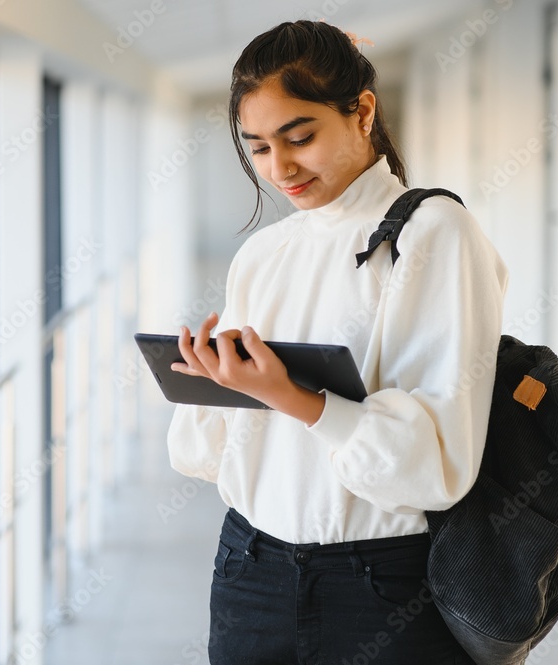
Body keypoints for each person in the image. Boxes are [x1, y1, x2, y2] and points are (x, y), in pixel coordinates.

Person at [166, 19, 508, 664]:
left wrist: (292, 396)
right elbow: (207, 455)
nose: (281, 167)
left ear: (363, 111)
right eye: (259, 148)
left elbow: (435, 467)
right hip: (248, 566)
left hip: (380, 583)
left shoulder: (433, 233)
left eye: (300, 137)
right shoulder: (266, 252)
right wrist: (212, 382)